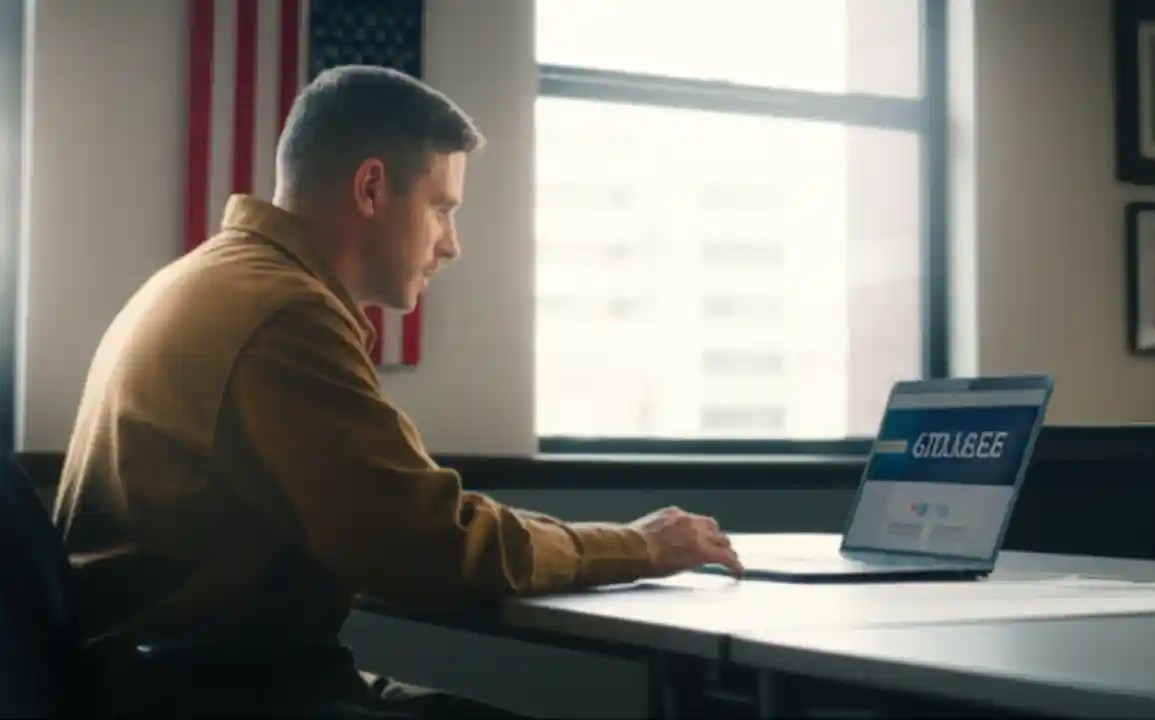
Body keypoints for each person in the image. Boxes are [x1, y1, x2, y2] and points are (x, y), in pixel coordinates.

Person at [52, 64, 743, 717]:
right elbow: (433, 545)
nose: (451, 244)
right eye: (442, 208)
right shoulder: (285, 317)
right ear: (372, 189)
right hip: (209, 695)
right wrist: (637, 546)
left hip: (175, 679)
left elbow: (409, 520)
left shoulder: (217, 279)